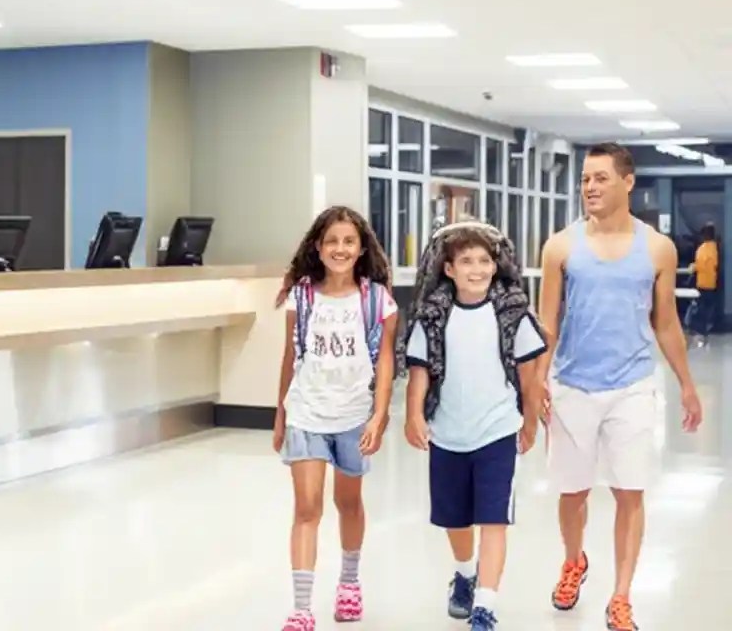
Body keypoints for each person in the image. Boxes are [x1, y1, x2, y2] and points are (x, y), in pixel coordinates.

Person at [537, 142, 703, 631]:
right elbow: (548, 322)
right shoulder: (560, 246)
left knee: (631, 492)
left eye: (600, 178)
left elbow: (667, 323)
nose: (589, 186)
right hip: (571, 385)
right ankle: (574, 561)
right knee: (573, 493)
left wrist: (688, 386)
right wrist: (535, 382)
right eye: (585, 179)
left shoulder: (657, 248)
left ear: (627, 182)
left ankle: (621, 596)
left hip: (632, 385)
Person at [402, 222, 545, 631]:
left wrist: (530, 422)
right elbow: (420, 372)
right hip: (447, 434)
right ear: (449, 269)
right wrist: (414, 415)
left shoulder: (511, 315)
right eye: (466, 261)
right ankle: (465, 574)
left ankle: (485, 605)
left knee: (494, 519)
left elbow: (528, 374)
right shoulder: (431, 318)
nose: (477, 269)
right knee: (455, 519)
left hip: (496, 431)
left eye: (484, 261)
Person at [272, 206, 399, 631]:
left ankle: (349, 581)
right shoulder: (302, 296)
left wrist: (378, 417)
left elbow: (385, 364)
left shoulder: (377, 299)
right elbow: (290, 357)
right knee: (306, 508)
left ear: (362, 248)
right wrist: (280, 414)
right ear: (317, 247)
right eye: (332, 241)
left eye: (348, 241)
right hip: (306, 412)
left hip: (352, 416)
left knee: (348, 502)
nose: (340, 249)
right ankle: (302, 608)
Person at [688, 222, 718, 346]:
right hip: (710, 283)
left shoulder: (704, 249)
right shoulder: (713, 248)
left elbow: (701, 265)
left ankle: (699, 329)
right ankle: (703, 329)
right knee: (706, 308)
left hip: (703, 283)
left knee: (701, 308)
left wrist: (693, 267)